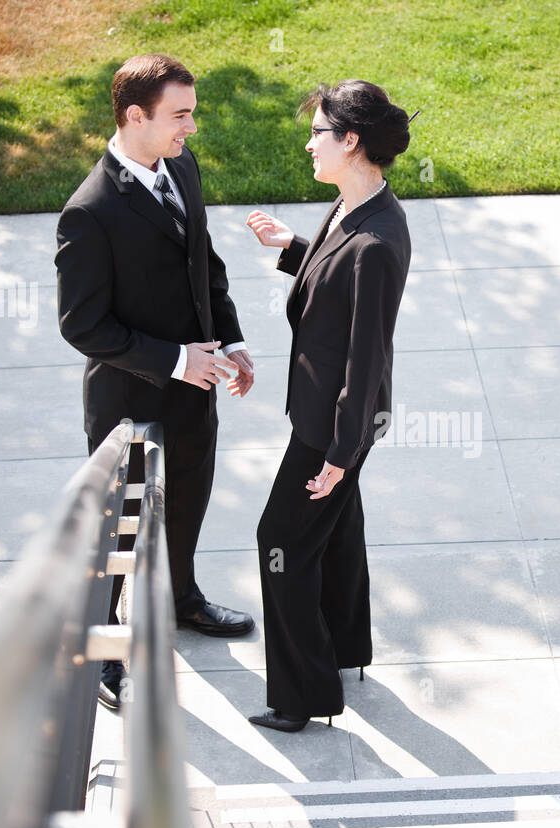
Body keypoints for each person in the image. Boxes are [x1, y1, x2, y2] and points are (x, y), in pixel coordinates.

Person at [56, 53, 256, 711]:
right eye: (180, 115)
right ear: (134, 117)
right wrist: (175, 359)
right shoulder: (88, 212)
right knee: (120, 528)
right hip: (129, 399)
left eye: (191, 113)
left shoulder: (183, 168)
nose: (191, 128)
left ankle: (185, 600)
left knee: (191, 496)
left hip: (196, 389)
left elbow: (207, 264)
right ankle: (103, 649)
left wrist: (230, 341)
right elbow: (83, 326)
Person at [244, 79, 413, 732]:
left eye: (318, 132)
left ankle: (303, 695)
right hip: (334, 419)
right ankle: (345, 649)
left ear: (351, 140)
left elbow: (363, 359)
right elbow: (331, 280)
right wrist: (291, 248)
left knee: (280, 542)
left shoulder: (374, 240)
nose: (308, 143)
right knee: (335, 532)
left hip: (333, 426)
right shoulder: (358, 206)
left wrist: (340, 455)